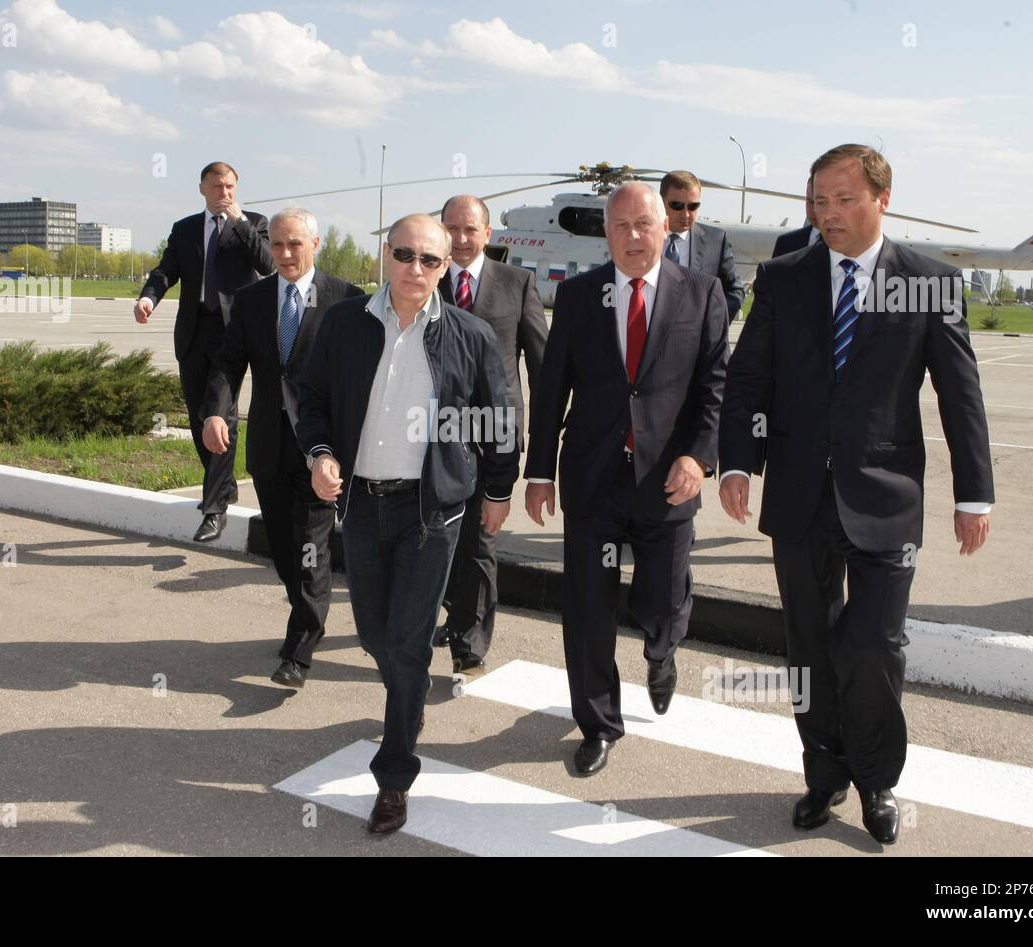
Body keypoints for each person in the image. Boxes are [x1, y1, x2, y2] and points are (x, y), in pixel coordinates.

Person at [717, 144, 994, 845]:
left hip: (886, 499)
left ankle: (876, 779)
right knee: (808, 646)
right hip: (799, 494)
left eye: (843, 200)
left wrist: (974, 494)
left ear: (882, 199)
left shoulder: (929, 282)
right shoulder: (783, 279)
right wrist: (737, 462)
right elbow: (749, 377)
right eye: (819, 201)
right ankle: (824, 773)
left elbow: (959, 392)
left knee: (873, 644)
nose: (829, 213)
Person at [296, 214, 517, 835]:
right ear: (385, 256)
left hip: (432, 512)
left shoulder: (470, 335)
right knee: (374, 635)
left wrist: (498, 490)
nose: (415, 269)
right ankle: (409, 695)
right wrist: (320, 455)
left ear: (445, 267)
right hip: (362, 507)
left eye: (429, 260)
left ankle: (394, 776)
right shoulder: (344, 323)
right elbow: (312, 400)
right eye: (404, 255)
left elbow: (498, 418)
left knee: (408, 642)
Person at [524, 182, 727, 777]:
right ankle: (598, 724)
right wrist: (539, 472)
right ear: (606, 235)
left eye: (643, 224)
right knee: (588, 608)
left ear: (666, 227)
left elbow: (716, 386)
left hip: (669, 478)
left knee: (661, 600)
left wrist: (699, 457)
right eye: (620, 226)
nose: (633, 236)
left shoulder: (702, 293)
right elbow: (552, 388)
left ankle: (662, 651)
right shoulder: (579, 296)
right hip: (593, 478)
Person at [201, 208, 362, 688]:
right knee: (284, 548)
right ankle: (306, 613)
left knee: (312, 543)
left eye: (295, 243)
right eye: (276, 244)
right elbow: (227, 363)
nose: (285, 253)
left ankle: (299, 649)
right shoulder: (250, 300)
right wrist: (215, 412)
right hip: (269, 446)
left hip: (322, 450)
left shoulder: (347, 300)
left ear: (316, 244)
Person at [434, 194, 549, 675]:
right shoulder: (425, 277)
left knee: (480, 541)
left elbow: (542, 366)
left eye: (470, 229)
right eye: (451, 229)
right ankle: (453, 610)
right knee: (438, 535)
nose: (460, 239)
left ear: (487, 233)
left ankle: (469, 644)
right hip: (434, 434)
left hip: (494, 435)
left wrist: (544, 440)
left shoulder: (517, 283)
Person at [135, 161, 273, 543]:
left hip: (234, 335)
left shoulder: (254, 223)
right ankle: (224, 484)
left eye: (230, 186)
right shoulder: (185, 230)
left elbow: (267, 264)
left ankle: (214, 508)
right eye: (216, 187)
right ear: (202, 189)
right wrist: (149, 298)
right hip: (194, 333)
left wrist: (240, 222)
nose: (224, 193)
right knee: (200, 415)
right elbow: (165, 271)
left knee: (220, 413)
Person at [659, 170, 745, 320]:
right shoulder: (642, 238)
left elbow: (735, 292)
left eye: (693, 206)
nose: (686, 214)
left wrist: (711, 322)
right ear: (661, 202)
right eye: (677, 205)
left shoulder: (715, 241)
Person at [772, 178, 822, 257]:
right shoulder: (785, 243)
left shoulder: (843, 246)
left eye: (821, 203)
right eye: (810, 201)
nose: (814, 210)